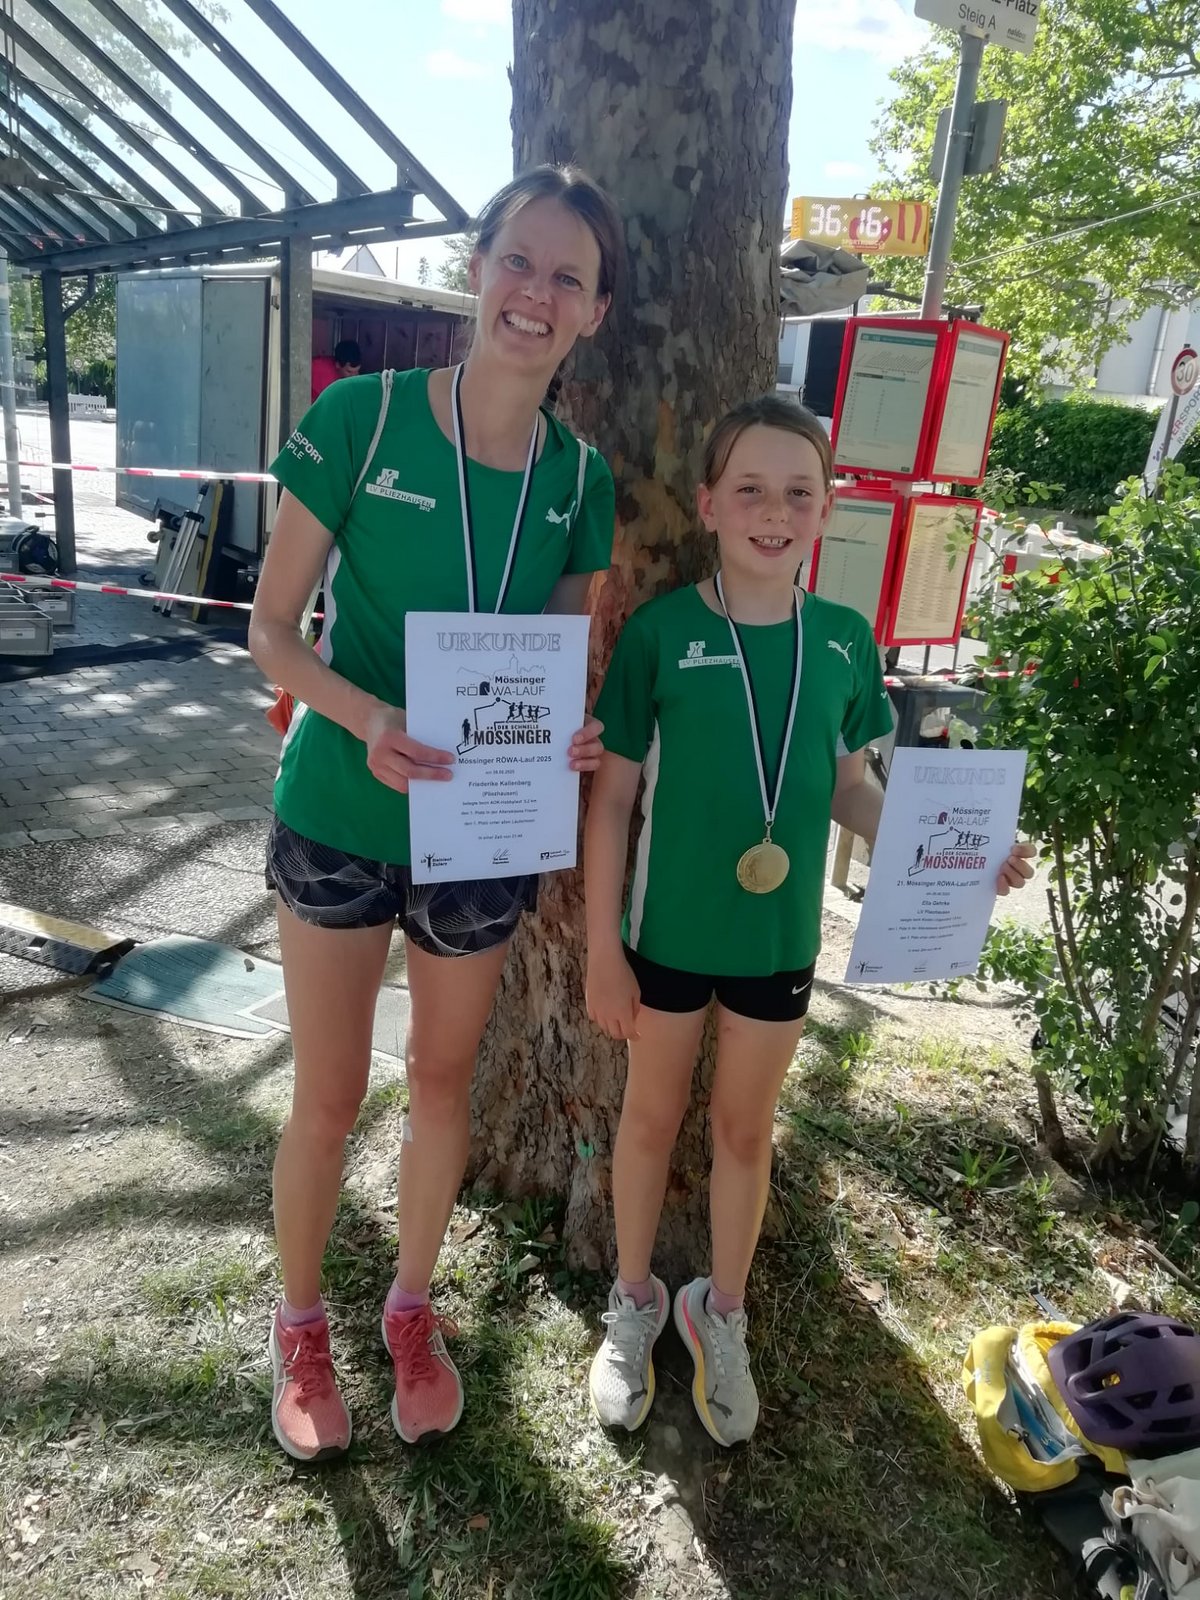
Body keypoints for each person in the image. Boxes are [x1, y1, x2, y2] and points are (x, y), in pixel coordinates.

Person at [249, 165, 623, 1462]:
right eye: (520, 260)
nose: (537, 291)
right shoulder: (361, 420)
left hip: (480, 830)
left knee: (445, 1080)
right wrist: (365, 721)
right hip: (344, 807)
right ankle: (301, 1325)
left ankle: (410, 1309)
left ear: (593, 312)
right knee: (332, 1093)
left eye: (567, 276)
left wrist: (575, 731)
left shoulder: (581, 478)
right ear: (478, 268)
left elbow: (565, 656)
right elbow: (269, 635)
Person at [583, 395, 1036, 1447]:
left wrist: (953, 855)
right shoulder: (660, 633)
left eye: (797, 491)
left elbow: (852, 788)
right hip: (663, 942)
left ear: (826, 510)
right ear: (709, 503)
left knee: (745, 1133)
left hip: (779, 946)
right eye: (750, 488)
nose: (772, 510)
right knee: (648, 1123)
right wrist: (603, 946)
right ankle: (636, 1298)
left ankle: (720, 1312)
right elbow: (610, 801)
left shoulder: (840, 641)